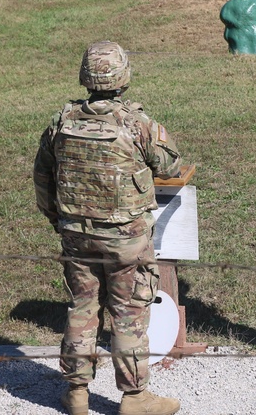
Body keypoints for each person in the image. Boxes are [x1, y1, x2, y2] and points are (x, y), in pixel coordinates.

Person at [34, 41, 183, 415]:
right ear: (123, 76)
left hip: (76, 234)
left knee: (82, 308)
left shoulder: (61, 121)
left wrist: (59, 220)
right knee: (129, 312)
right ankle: (135, 397)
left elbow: (43, 178)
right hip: (125, 239)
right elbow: (169, 165)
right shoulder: (136, 123)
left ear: (86, 76)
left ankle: (77, 392)